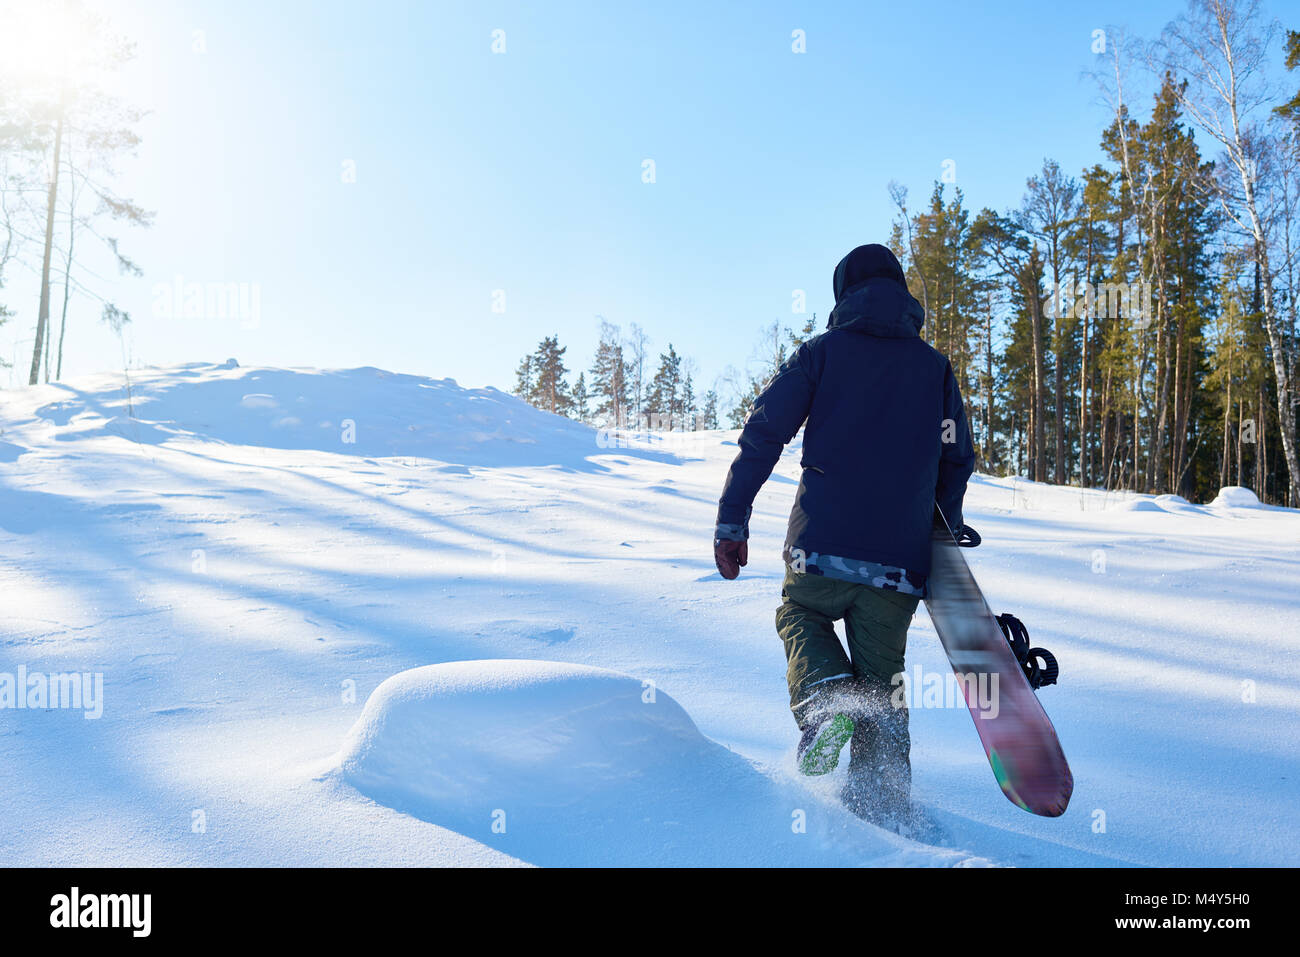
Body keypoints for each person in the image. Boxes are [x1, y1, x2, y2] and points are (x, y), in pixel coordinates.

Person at [713, 243, 975, 823]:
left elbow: (763, 435)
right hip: (898, 569)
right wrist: (945, 526)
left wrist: (733, 521)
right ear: (900, 293)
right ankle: (881, 808)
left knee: (800, 616)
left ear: (843, 295)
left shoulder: (821, 354)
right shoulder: (934, 368)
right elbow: (958, 456)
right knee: (885, 690)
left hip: (819, 551)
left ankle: (826, 699)